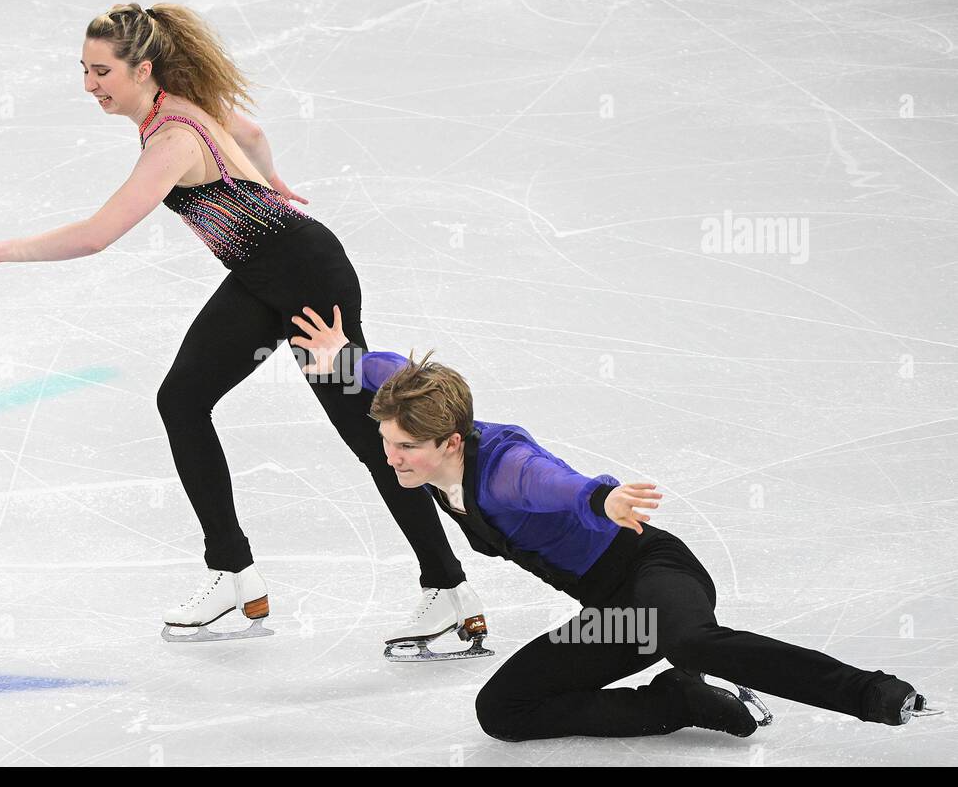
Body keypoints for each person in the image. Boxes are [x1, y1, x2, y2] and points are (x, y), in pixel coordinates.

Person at [0, 2, 486, 657]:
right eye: (83, 69)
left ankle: (452, 587)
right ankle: (232, 571)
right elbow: (248, 132)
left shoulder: (170, 140)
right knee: (183, 399)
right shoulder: (181, 105)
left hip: (309, 290)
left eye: (102, 71)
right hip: (264, 280)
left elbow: (97, 235)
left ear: (142, 68)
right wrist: (272, 182)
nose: (89, 85)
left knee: (372, 439)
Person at [288, 303, 939, 738]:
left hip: (657, 573)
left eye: (405, 448)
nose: (390, 456)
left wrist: (603, 500)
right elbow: (391, 377)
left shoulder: (505, 467)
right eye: (389, 442)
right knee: (503, 711)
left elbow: (560, 484)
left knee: (689, 640)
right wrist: (344, 356)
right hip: (614, 616)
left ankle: (875, 695)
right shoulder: (424, 418)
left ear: (452, 442)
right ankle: (681, 702)